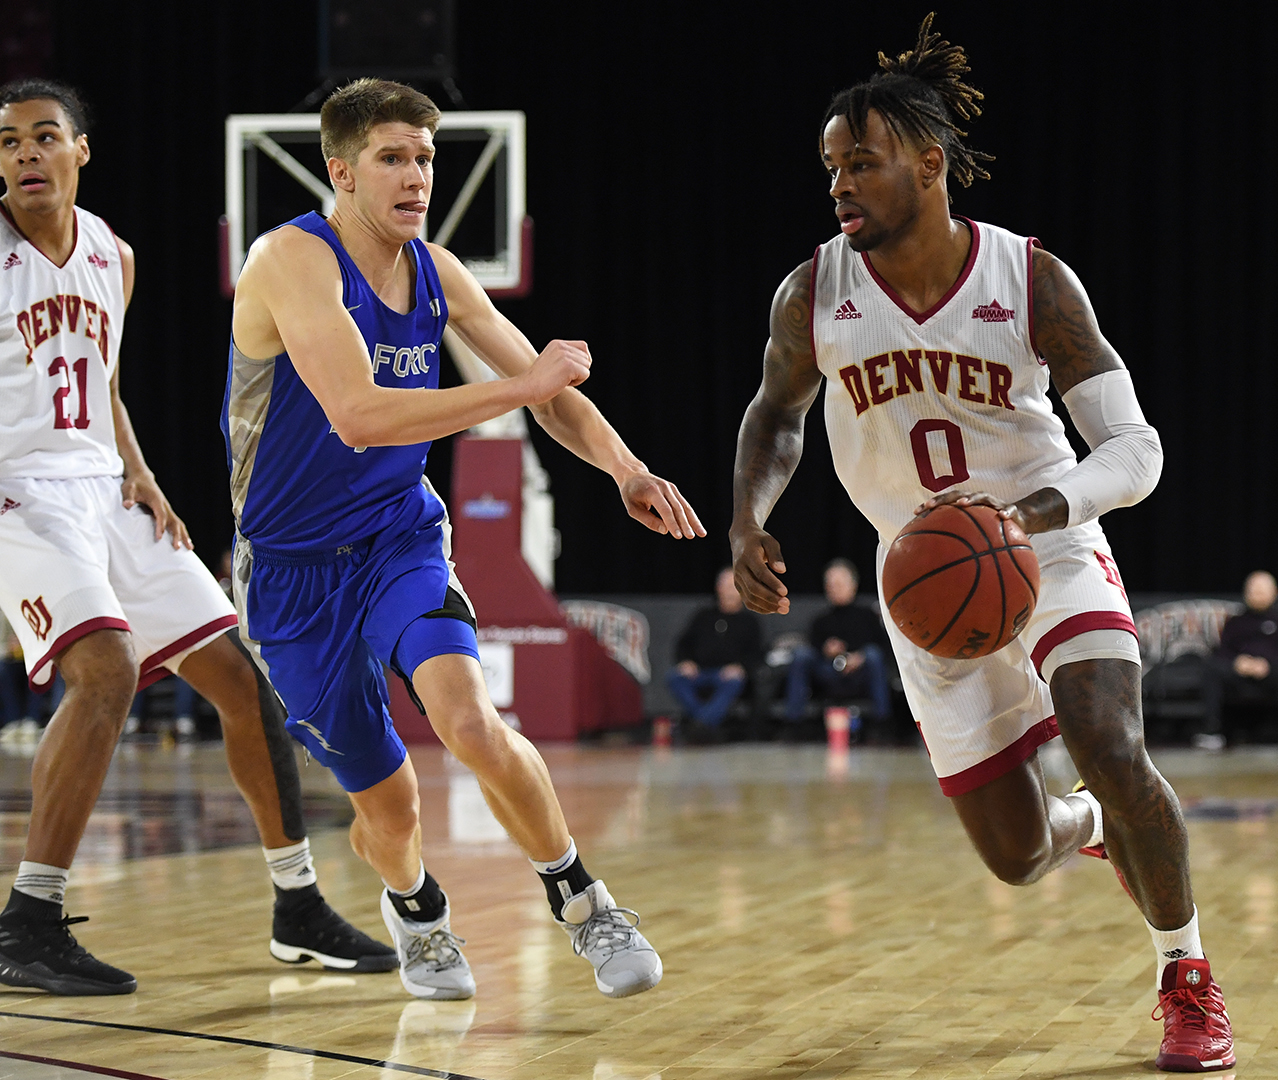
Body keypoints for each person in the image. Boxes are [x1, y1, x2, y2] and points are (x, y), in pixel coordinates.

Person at [727, 17, 1231, 1071]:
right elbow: (777, 417)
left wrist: (1037, 514)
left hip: (1043, 545)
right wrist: (748, 518)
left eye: (858, 163)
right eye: (829, 168)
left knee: (1107, 737)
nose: (838, 185)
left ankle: (1186, 975)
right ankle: (1092, 830)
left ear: (929, 162)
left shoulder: (1033, 280)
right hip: (923, 586)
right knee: (1014, 858)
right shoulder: (811, 292)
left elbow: (1137, 451)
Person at [225, 78, 702, 1001]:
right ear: (341, 171)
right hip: (290, 577)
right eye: (393, 158)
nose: (416, 177)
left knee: (470, 721)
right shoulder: (291, 260)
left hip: (398, 539)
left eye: (427, 159)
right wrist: (521, 389)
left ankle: (584, 900)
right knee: (390, 805)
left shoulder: (438, 271)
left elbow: (549, 387)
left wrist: (627, 469)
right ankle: (416, 910)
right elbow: (360, 416)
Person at [0, 79, 396, 995]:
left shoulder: (114, 255)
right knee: (104, 671)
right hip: (22, 496)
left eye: (43, 136)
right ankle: (29, 917)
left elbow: (101, 384)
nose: (24, 153)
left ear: (79, 150)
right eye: (8, 141)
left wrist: (138, 472)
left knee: (243, 684)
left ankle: (298, 907)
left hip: (104, 486)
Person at [1196, 571, 1278, 753]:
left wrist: (1266, 664)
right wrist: (1238, 662)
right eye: (1253, 590)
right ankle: (1211, 732)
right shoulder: (1236, 621)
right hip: (1239, 673)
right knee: (1212, 668)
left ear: (1274, 593)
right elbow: (1223, 650)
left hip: (1270, 673)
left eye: (1262, 591)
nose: (1257, 595)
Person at [783, 558, 891, 728]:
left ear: (853, 585)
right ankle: (793, 723)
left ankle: (883, 723)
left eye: (839, 584)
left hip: (860, 673)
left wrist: (859, 658)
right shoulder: (820, 620)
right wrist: (826, 650)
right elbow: (812, 648)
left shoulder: (868, 616)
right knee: (801, 655)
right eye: (830, 584)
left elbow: (884, 649)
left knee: (873, 654)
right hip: (829, 672)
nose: (834, 589)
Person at [670, 567, 763, 733]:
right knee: (674, 678)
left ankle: (701, 725)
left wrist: (741, 667)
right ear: (718, 589)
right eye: (726, 586)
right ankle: (706, 722)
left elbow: (756, 653)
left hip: (727, 675)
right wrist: (686, 662)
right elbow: (683, 644)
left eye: (734, 587)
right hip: (700, 672)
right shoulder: (703, 616)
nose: (729, 592)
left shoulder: (749, 622)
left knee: (734, 682)